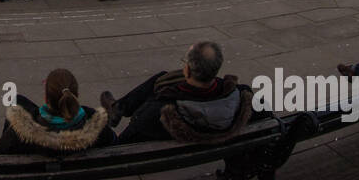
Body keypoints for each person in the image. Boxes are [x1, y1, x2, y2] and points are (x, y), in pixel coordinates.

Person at [99, 41, 249, 144]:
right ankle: (118, 108)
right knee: (164, 77)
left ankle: (119, 108)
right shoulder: (241, 96)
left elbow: (123, 144)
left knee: (162, 82)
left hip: (160, 146)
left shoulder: (160, 111)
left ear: (188, 70)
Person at [0, 69, 117, 155]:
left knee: (17, 102)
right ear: (75, 96)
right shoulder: (94, 123)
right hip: (76, 165)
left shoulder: (22, 130)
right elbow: (112, 141)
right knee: (18, 101)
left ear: (46, 98)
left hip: (34, 169)